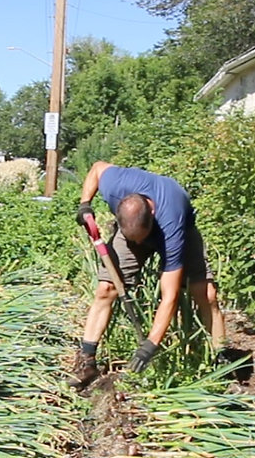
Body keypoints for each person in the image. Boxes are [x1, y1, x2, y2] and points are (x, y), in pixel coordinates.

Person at [68, 160, 226, 389]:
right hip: (135, 227)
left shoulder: (172, 223)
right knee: (106, 288)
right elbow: (96, 168)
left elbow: (169, 296)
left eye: (142, 237)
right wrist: (85, 204)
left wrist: (150, 346)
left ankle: (221, 361)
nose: (140, 244)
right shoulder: (115, 184)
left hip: (177, 229)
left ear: (151, 212)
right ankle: (87, 361)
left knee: (205, 293)